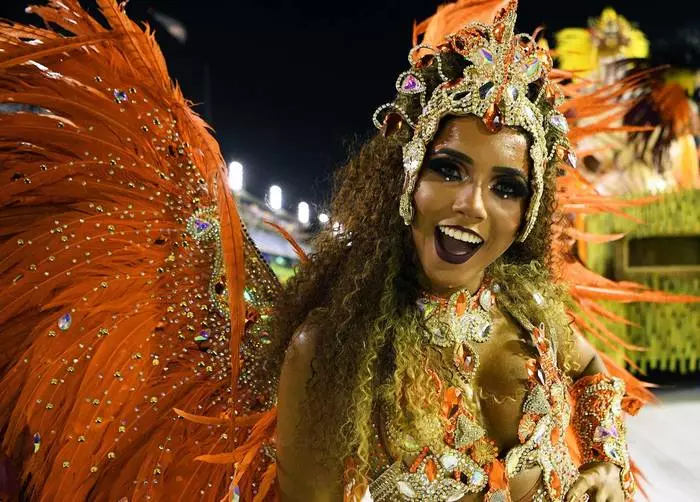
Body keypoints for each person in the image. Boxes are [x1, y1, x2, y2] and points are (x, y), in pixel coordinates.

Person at [2, 0, 687, 501]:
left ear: (528, 213)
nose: (471, 204)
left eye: (505, 186)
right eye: (448, 169)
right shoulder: (332, 353)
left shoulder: (534, 307)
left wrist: (601, 460)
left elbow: (595, 376)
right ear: (404, 180)